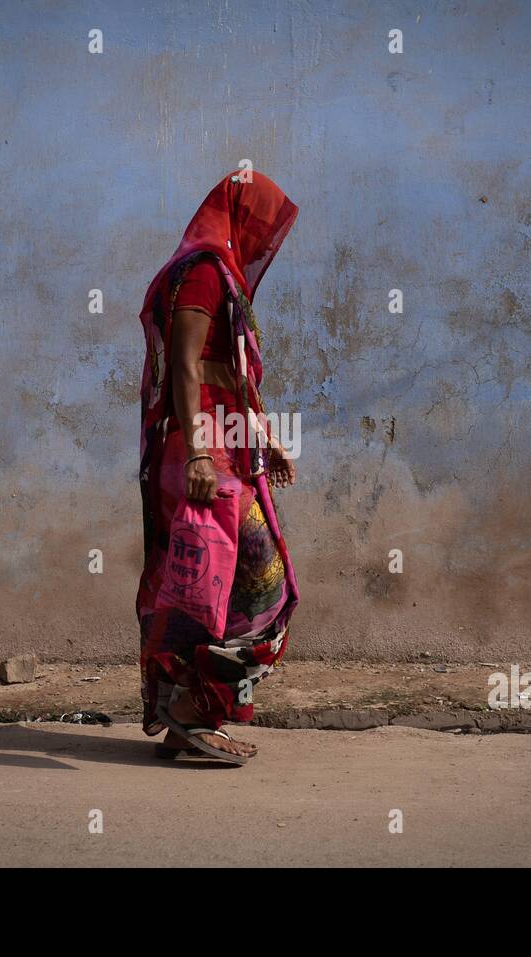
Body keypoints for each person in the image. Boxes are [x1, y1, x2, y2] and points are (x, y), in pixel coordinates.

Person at [135, 171, 300, 765]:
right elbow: (183, 366)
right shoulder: (204, 270)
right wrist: (202, 451)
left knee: (211, 585)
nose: (261, 239)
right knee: (256, 579)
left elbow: (225, 376)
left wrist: (265, 437)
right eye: (257, 223)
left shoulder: (220, 275)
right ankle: (188, 709)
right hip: (201, 456)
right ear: (236, 215)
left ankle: (190, 711)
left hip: (222, 449)